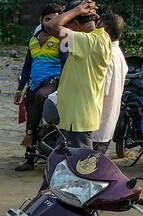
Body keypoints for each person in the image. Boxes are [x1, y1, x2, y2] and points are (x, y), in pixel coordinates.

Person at [52, 0, 112, 149]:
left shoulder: (88, 42)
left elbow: (51, 26)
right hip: (74, 118)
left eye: (69, 25)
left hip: (78, 119)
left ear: (77, 23)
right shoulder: (99, 38)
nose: (67, 28)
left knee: (79, 169)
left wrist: (77, 10)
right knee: (64, 165)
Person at [15, 4, 66, 171]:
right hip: (34, 84)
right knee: (31, 109)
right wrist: (19, 88)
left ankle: (30, 134)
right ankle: (29, 158)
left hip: (53, 82)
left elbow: (66, 64)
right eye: (48, 19)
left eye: (55, 19)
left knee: (40, 98)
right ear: (41, 20)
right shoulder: (34, 39)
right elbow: (27, 65)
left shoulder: (62, 39)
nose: (51, 22)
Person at [94, 11, 127, 152]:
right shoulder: (118, 53)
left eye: (98, 26)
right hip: (106, 124)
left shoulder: (108, 56)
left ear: (105, 29)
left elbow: (99, 91)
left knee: (86, 169)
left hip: (97, 126)